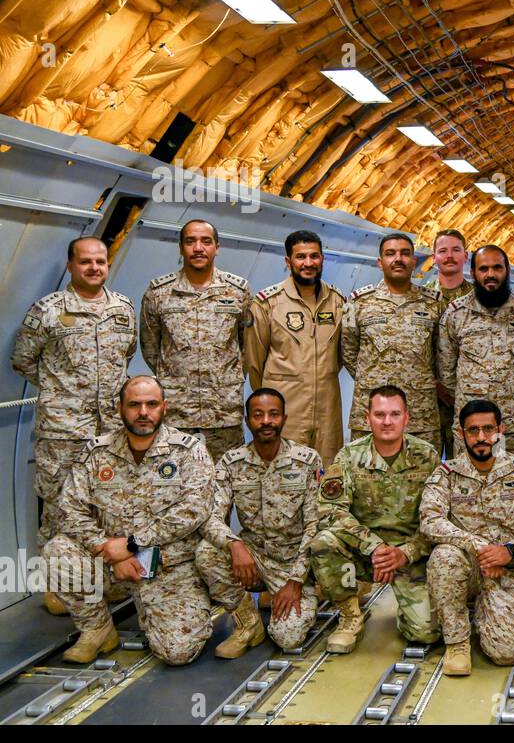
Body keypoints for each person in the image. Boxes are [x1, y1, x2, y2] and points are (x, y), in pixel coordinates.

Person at [45, 376, 217, 665]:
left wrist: (132, 545)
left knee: (177, 653)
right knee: (58, 551)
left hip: (167, 568)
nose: (143, 412)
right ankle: (97, 630)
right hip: (112, 565)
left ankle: (168, 614)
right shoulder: (97, 452)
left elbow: (194, 509)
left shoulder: (188, 451)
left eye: (151, 404)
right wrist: (106, 549)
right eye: (134, 404)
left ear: (165, 407)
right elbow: (69, 509)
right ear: (119, 408)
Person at [12, 236, 136, 615]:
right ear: (71, 265)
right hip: (64, 431)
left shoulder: (122, 310)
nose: (94, 268)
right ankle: (60, 587)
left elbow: (126, 356)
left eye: (100, 261)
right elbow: (24, 359)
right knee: (59, 507)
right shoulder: (47, 311)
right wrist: (61, 392)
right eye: (86, 262)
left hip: (111, 430)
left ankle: (105, 582)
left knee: (107, 505)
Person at [421, 400, 514, 675]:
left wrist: (510, 550)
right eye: (473, 430)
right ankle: (457, 642)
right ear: (461, 433)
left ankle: (488, 607)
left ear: (500, 430)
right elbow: (430, 521)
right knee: (444, 557)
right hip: (466, 566)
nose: (481, 438)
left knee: (506, 654)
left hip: (508, 570)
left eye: (488, 429)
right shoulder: (447, 474)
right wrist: (478, 546)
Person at [309, 386, 439, 653]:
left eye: (395, 414)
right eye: (379, 414)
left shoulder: (426, 457)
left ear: (407, 418)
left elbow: (438, 518)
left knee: (425, 633)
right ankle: (349, 616)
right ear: (367, 418)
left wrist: (404, 553)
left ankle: (408, 609)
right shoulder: (349, 457)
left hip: (409, 555)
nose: (387, 421)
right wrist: (376, 548)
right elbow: (331, 512)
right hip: (364, 552)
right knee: (324, 542)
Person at [196, 388, 321, 658]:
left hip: (292, 562)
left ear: (284, 419)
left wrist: (296, 581)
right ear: (247, 420)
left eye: (273, 414)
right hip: (252, 558)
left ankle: (302, 598)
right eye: (258, 415)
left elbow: (315, 525)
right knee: (206, 552)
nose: (266, 421)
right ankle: (248, 623)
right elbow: (210, 516)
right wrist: (235, 545)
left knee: (287, 638)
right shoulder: (231, 463)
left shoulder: (307, 461)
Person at [140, 219, 251, 461]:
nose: (198, 248)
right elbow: (150, 347)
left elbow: (248, 344)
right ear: (181, 248)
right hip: (177, 413)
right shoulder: (159, 292)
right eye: (190, 241)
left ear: (217, 247)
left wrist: (227, 377)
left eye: (206, 241)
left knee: (224, 481)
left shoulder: (237, 291)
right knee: (173, 482)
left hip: (224, 413)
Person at [244, 230, 345, 466]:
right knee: (285, 474)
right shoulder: (268, 303)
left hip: (326, 410)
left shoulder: (337, 302)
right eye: (301, 257)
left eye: (314, 256)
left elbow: (339, 357)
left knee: (327, 473)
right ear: (288, 261)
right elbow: (254, 363)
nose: (308, 263)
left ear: (323, 259)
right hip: (287, 412)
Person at [438, 245, 514, 459]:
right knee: (469, 486)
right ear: (474, 273)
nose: (491, 274)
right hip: (471, 427)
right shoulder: (456, 314)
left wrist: (513, 393)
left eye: (497, 268)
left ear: (507, 271)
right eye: (483, 269)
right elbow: (446, 372)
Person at [342, 233, 441, 444]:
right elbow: (349, 352)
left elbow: (443, 354)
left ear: (414, 261)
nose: (398, 259)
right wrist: (374, 378)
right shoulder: (359, 302)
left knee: (424, 475)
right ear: (380, 262)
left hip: (419, 415)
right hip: (371, 415)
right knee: (366, 474)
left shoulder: (433, 303)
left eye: (405, 254)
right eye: (390, 254)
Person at [429, 229, 474, 459]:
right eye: (443, 251)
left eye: (456, 250)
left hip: (469, 398)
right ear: (433, 256)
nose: (449, 256)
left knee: (468, 464)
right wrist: (437, 385)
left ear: (466, 256)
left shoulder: (479, 298)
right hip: (427, 401)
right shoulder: (422, 298)